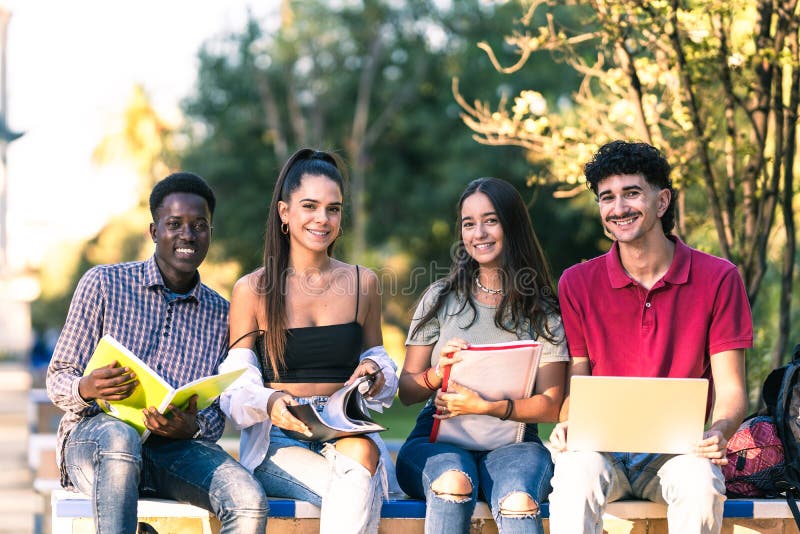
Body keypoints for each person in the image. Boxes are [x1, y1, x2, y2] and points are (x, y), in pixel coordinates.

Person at [547, 140, 752, 534]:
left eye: (632, 193)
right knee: (575, 476)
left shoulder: (719, 278)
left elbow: (731, 391)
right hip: (601, 451)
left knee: (700, 483)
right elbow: (578, 379)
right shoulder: (577, 283)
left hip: (679, 453)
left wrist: (719, 432)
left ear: (662, 202)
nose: (619, 208)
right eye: (607, 197)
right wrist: (569, 423)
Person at [46, 172, 268, 533]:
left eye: (199, 225)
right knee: (121, 438)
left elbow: (214, 411)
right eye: (175, 224)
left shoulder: (222, 314)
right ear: (153, 231)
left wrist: (192, 426)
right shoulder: (103, 283)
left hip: (172, 452)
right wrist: (88, 387)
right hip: (96, 442)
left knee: (247, 498)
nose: (187, 235)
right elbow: (58, 379)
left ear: (211, 233)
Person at [217, 148, 398, 534]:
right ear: (285, 212)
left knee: (362, 456)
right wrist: (270, 401)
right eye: (310, 206)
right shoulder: (253, 289)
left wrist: (374, 373)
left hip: (346, 427)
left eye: (333, 209)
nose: (323, 219)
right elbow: (235, 382)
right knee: (356, 488)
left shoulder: (363, 283)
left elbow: (378, 360)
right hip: (281, 437)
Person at [395, 177, 568, 534]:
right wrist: (436, 374)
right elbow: (407, 391)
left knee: (518, 499)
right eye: (468, 223)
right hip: (437, 438)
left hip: (515, 441)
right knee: (453, 482)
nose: (479, 233)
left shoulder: (544, 310)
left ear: (512, 224)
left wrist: (487, 407)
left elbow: (552, 404)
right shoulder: (440, 298)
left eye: (490, 220)